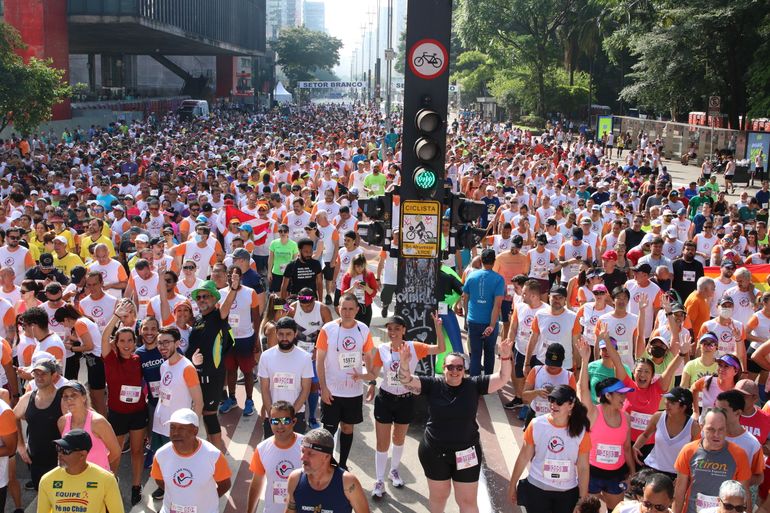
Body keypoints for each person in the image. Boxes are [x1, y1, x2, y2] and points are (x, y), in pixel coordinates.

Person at [398, 338, 513, 513]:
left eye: (459, 367)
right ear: (443, 368)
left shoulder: (474, 385)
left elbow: (503, 378)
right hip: (435, 452)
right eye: (450, 367)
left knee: (467, 501)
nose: (455, 371)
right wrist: (404, 363)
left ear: (464, 370)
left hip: (467, 453)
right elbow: (406, 380)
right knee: (439, 497)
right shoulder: (433, 385)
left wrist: (505, 357)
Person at [354, 314, 446, 498]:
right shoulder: (382, 349)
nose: (393, 332)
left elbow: (440, 349)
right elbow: (373, 374)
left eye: (397, 328)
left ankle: (394, 471)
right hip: (385, 399)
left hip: (405, 399)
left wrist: (438, 327)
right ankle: (379, 480)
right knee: (382, 443)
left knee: (398, 438)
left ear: (404, 330)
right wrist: (360, 376)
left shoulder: (414, 347)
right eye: (390, 329)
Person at [508, 384, 591, 513]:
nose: (553, 405)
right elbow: (524, 457)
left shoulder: (581, 431)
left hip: (567, 494)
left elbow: (583, 467)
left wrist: (582, 498)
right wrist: (512, 484)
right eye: (551, 400)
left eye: (559, 402)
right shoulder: (536, 424)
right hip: (536, 489)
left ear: (571, 405)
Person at [315, 293, 374, 469]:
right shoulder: (328, 329)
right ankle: (327, 464)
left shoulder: (363, 329)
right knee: (328, 431)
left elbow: (369, 357)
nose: (347, 312)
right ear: (338, 309)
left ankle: (342, 464)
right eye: (344, 308)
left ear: (357, 310)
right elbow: (319, 360)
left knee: (348, 428)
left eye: (350, 309)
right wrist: (323, 388)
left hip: (353, 391)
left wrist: (371, 381)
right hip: (332, 391)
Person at [575, 339, 635, 510]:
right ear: (608, 395)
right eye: (620, 394)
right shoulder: (593, 412)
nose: (624, 398)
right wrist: (584, 360)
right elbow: (583, 389)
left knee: (614, 511)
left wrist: (632, 473)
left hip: (616, 476)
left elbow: (627, 448)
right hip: (591, 473)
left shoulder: (626, 418)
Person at [187, 279, 238, 451]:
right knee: (199, 414)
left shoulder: (218, 315)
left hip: (212, 375)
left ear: (215, 298)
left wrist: (233, 288)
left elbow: (226, 307)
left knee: (209, 415)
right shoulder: (198, 319)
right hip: (195, 374)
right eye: (199, 297)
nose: (202, 299)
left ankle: (217, 456)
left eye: (206, 296)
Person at [150, 408, 232, 513]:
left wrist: (205, 501)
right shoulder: (161, 455)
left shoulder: (213, 456)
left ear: (195, 431)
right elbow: (159, 480)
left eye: (182, 428)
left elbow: (225, 484)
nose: (175, 433)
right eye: (172, 427)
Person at [101, 326, 147, 504]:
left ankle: (136, 486)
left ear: (135, 342)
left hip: (138, 412)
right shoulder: (111, 359)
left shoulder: (138, 359)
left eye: (130, 340)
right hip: (117, 414)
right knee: (115, 451)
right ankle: (110, 482)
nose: (126, 344)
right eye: (122, 341)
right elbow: (104, 338)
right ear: (116, 343)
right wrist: (116, 316)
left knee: (137, 450)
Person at [673, 408, 751, 513]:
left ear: (726, 428)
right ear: (702, 427)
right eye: (711, 429)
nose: (716, 435)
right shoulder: (688, 451)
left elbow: (744, 495)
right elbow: (679, 493)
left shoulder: (739, 455)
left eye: (721, 429)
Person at [284, 428, 370, 513]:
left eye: (310, 453)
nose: (303, 458)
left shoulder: (348, 482)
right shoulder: (295, 479)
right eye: (303, 451)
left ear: (327, 457)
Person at [36, 430, 124, 513]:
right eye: (58, 448)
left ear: (82, 455)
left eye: (65, 451)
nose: (60, 454)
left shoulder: (106, 480)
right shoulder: (47, 480)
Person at [257, 316, 313, 435]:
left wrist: (290, 417)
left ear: (295, 333)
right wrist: (272, 415)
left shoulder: (305, 357)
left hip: (296, 416)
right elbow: (264, 389)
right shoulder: (266, 357)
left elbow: (305, 390)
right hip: (272, 416)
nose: (284, 338)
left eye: (288, 334)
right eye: (281, 334)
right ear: (276, 333)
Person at [246, 401, 304, 513]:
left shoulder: (306, 446)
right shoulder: (262, 449)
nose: (280, 426)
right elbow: (257, 483)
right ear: (270, 422)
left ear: (294, 422)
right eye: (275, 421)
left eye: (285, 421)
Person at [14, 358, 63, 490]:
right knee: (41, 495)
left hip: (59, 462)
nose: (39, 377)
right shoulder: (28, 397)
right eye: (36, 374)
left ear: (54, 375)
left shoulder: (63, 398)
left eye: (44, 374)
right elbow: (13, 418)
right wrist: (20, 445)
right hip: (35, 461)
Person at [632, 387, 699, 480]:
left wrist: (686, 478)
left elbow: (696, 454)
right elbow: (645, 435)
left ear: (683, 407)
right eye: (667, 399)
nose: (667, 403)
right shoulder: (657, 417)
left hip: (676, 475)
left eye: (672, 402)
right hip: (651, 468)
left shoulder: (694, 427)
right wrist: (636, 446)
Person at [57, 380, 121, 473]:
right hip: (73, 476)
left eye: (74, 395)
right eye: (65, 396)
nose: (69, 399)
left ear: (84, 397)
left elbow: (116, 452)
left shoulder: (98, 422)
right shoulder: (62, 422)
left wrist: (100, 467)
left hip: (96, 476)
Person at [462, 248, 505, 376]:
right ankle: (488, 381)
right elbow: (497, 305)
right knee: (489, 352)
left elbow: (465, 298)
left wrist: (466, 317)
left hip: (473, 320)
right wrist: (491, 325)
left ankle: (474, 382)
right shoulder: (499, 279)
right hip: (489, 322)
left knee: (475, 353)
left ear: (481, 260)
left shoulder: (471, 275)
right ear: (494, 261)